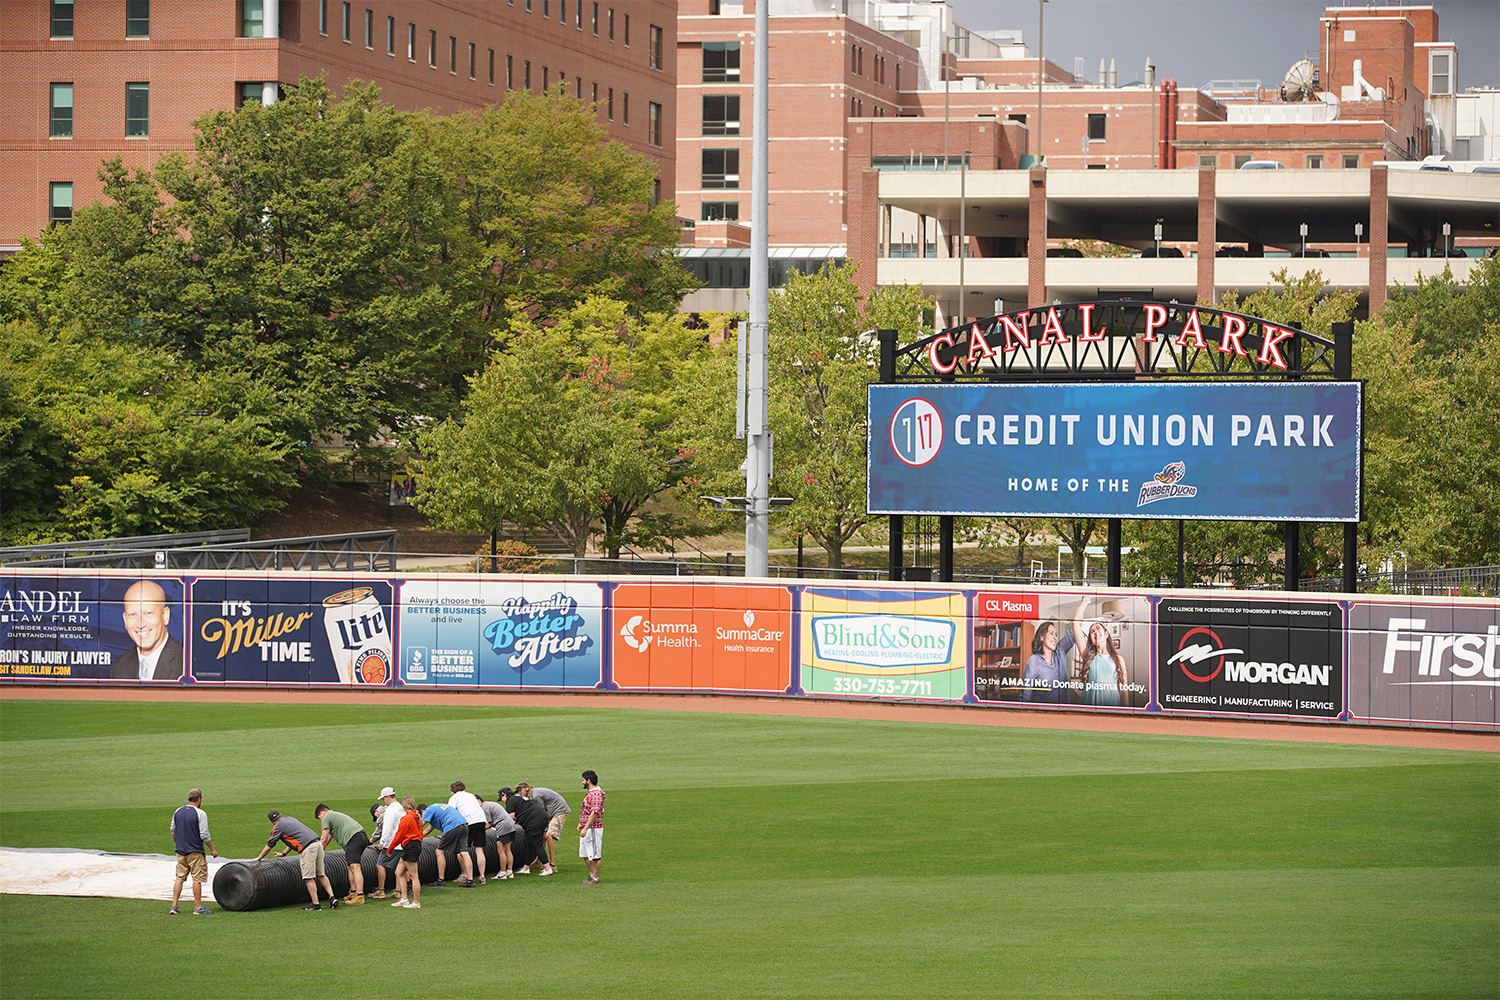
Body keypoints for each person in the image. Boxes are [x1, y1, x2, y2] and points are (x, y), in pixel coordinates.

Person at [253, 810, 339, 911]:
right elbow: (295, 837)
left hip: (308, 848)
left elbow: (269, 846)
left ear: (271, 821)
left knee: (308, 878)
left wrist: (259, 858)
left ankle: (316, 905)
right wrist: (284, 853)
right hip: (318, 843)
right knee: (321, 874)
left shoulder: (278, 826)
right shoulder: (290, 819)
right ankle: (332, 898)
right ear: (280, 815)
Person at [110, 580, 184, 681]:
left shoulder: (187, 662)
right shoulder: (119, 666)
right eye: (132, 614)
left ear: (165, 615)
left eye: (148, 613)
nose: (140, 624)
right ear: (125, 620)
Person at [1071, 596, 1127, 707]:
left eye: (1098, 628)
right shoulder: (1088, 655)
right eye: (1092, 631)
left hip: (1112, 704)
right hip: (1088, 703)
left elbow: (1124, 690)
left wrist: (1127, 714)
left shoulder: (1119, 659)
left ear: (1106, 634)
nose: (1096, 632)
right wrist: (1085, 600)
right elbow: (1075, 624)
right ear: (1091, 639)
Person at [168, 788, 216, 915]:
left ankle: (174, 906)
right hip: (195, 851)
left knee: (179, 878)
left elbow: (173, 830)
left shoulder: (178, 811)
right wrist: (212, 849)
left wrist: (178, 843)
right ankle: (198, 907)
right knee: (197, 879)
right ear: (199, 799)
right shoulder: (200, 813)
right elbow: (204, 834)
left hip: (181, 851)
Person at [315, 804, 368, 904]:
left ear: (322, 813)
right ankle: (353, 892)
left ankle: (360, 896)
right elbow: (328, 839)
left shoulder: (327, 817)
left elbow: (323, 839)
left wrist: (316, 854)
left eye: (320, 818)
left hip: (353, 839)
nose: (321, 820)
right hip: (360, 836)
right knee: (349, 866)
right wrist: (322, 849)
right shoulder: (334, 816)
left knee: (355, 867)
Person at [420, 801, 474, 887]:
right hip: (463, 825)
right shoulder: (437, 809)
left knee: (439, 851)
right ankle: (470, 881)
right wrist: (418, 838)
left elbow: (420, 825)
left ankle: (440, 880)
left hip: (452, 826)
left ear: (422, 812)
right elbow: (427, 830)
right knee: (464, 852)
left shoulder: (429, 809)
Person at [1021, 619, 1076, 704]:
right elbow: (1026, 696)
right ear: (1042, 637)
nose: (1055, 637)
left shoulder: (1060, 652)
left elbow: (1074, 631)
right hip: (1043, 713)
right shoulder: (1034, 661)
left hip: (1064, 712)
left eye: (1056, 635)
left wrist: (1084, 604)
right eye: (1051, 633)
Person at [525, 783, 571, 875]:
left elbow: (541, 811)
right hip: (551, 813)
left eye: (520, 790)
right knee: (541, 836)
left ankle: (553, 865)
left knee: (548, 836)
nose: (519, 792)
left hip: (559, 812)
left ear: (526, 789)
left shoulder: (536, 795)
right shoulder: (532, 795)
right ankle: (539, 862)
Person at [447, 780, 488, 884]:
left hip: (468, 823)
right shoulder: (471, 796)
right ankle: (482, 876)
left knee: (462, 851)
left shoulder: (454, 798)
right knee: (479, 850)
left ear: (452, 791)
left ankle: (465, 874)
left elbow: (450, 813)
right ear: (464, 788)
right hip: (481, 821)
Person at [388, 795, 424, 909]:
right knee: (399, 872)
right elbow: (421, 833)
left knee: (414, 876)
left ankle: (416, 902)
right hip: (414, 845)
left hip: (410, 846)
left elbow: (399, 835)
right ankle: (404, 899)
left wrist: (390, 848)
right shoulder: (417, 817)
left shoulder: (407, 818)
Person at [504, 784, 549, 874]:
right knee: (527, 842)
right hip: (540, 816)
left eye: (501, 798)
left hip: (534, 820)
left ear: (504, 795)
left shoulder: (510, 801)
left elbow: (510, 818)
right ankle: (526, 868)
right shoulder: (519, 798)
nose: (502, 801)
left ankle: (547, 868)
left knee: (537, 844)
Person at [370, 787, 403, 899]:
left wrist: (382, 842)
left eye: (384, 798)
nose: (383, 801)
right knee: (398, 867)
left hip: (392, 843)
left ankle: (381, 890)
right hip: (401, 842)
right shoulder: (400, 807)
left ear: (388, 797)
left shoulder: (390, 809)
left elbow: (387, 827)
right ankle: (398, 891)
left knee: (380, 865)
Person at [477, 793, 519, 879]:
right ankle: (510, 872)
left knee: (501, 850)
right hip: (511, 824)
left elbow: (487, 824)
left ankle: (502, 873)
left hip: (503, 825)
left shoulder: (484, 808)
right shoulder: (489, 804)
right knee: (508, 849)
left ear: (478, 801)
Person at [577, 770, 604, 885]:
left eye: (583, 780)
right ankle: (592, 875)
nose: (582, 782)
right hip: (587, 827)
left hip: (593, 828)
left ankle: (595, 877)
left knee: (594, 854)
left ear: (588, 780)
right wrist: (581, 824)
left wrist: (585, 828)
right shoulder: (591, 793)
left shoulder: (596, 794)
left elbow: (594, 812)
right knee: (585, 854)